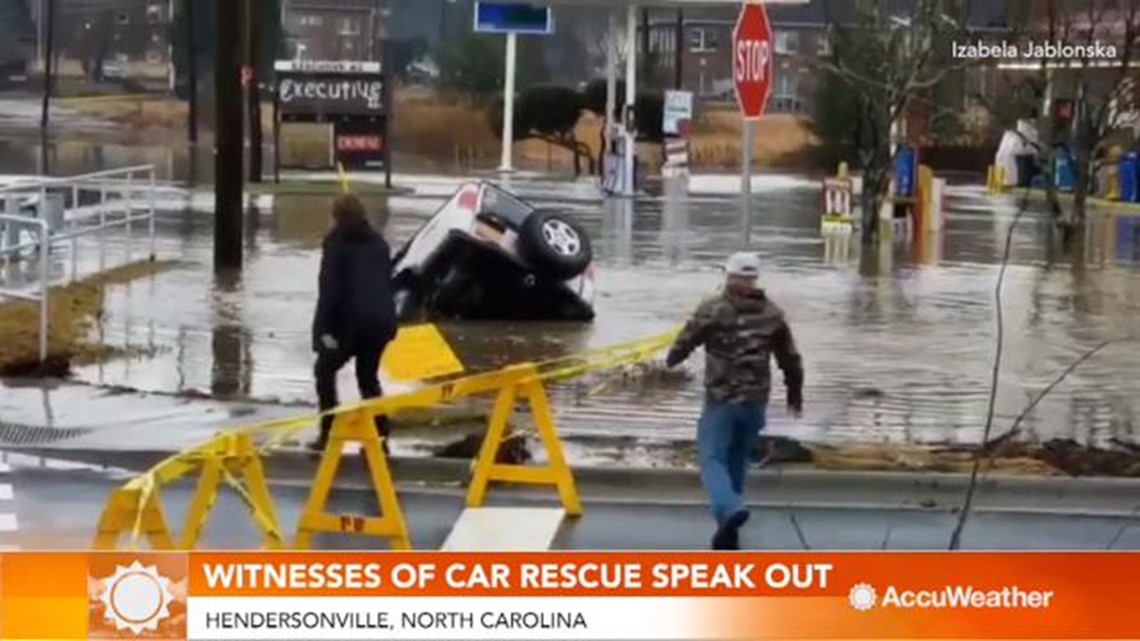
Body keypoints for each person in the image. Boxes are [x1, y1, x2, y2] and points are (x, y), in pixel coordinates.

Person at [664, 252, 804, 550]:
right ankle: (729, 529)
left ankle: (731, 510)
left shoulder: (713, 310)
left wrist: (671, 361)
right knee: (737, 458)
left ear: (728, 276)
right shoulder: (773, 314)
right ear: (754, 279)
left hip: (722, 400)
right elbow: (790, 359)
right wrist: (795, 393)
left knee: (711, 458)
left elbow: (684, 343)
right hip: (755, 403)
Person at [310, 194, 398, 454]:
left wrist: (323, 332)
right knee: (368, 377)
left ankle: (328, 431)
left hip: (352, 322)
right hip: (381, 321)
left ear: (336, 216)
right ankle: (380, 435)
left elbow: (330, 290)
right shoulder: (379, 243)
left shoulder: (336, 243)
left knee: (324, 370)